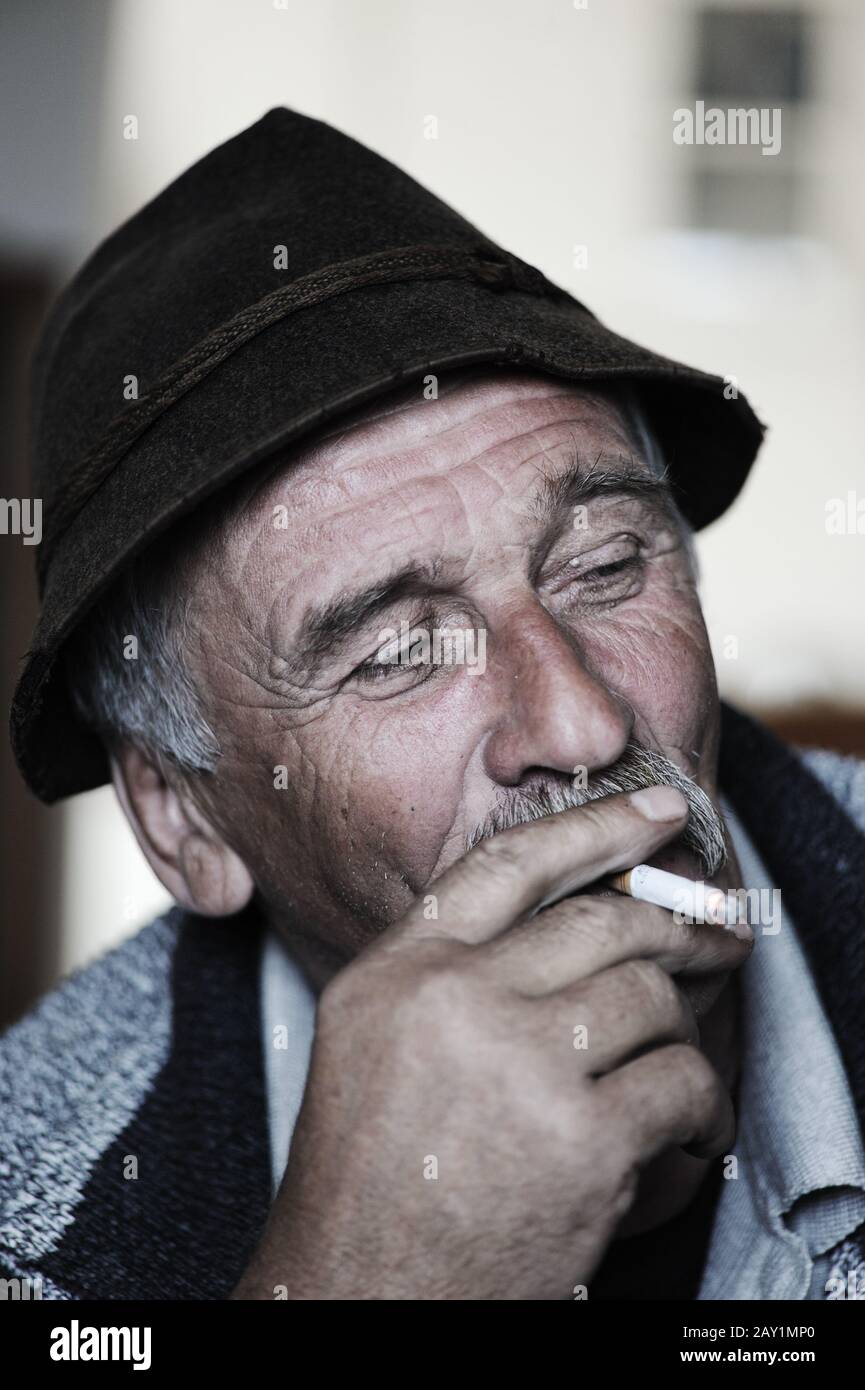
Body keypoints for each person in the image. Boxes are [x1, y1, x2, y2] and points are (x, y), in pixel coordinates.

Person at [3, 109, 864, 1302]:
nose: (581, 727)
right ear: (183, 818)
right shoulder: (31, 1213)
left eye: (608, 566)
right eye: (402, 650)